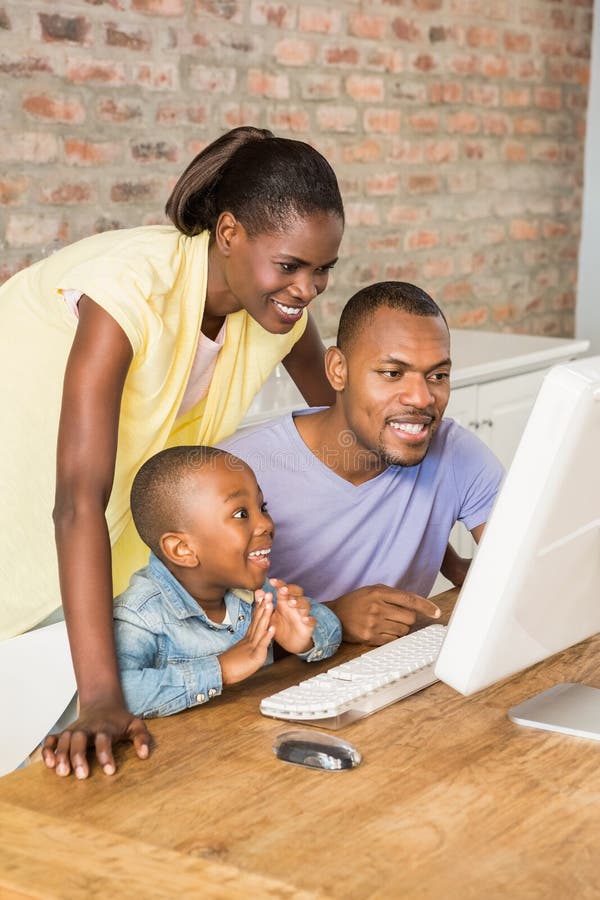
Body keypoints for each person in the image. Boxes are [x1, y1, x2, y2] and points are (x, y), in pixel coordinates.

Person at [0, 126, 344, 778]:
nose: (307, 289)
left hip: (97, 562)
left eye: (324, 268)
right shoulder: (130, 290)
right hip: (22, 515)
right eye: (291, 265)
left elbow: (341, 428)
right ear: (230, 233)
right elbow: (77, 500)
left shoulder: (273, 314)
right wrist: (104, 698)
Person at [221, 281, 505, 645]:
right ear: (338, 370)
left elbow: (531, 567)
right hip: (266, 691)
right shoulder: (239, 468)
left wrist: (475, 567)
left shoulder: (456, 453)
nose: (422, 398)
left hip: (393, 674)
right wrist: (333, 617)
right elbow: (191, 632)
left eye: (438, 376)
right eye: (392, 373)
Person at [113, 446, 341, 719]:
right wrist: (221, 669)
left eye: (262, 507)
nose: (266, 524)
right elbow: (115, 695)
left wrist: (302, 641)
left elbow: (327, 624)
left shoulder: (253, 591)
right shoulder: (140, 615)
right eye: (241, 514)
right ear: (182, 549)